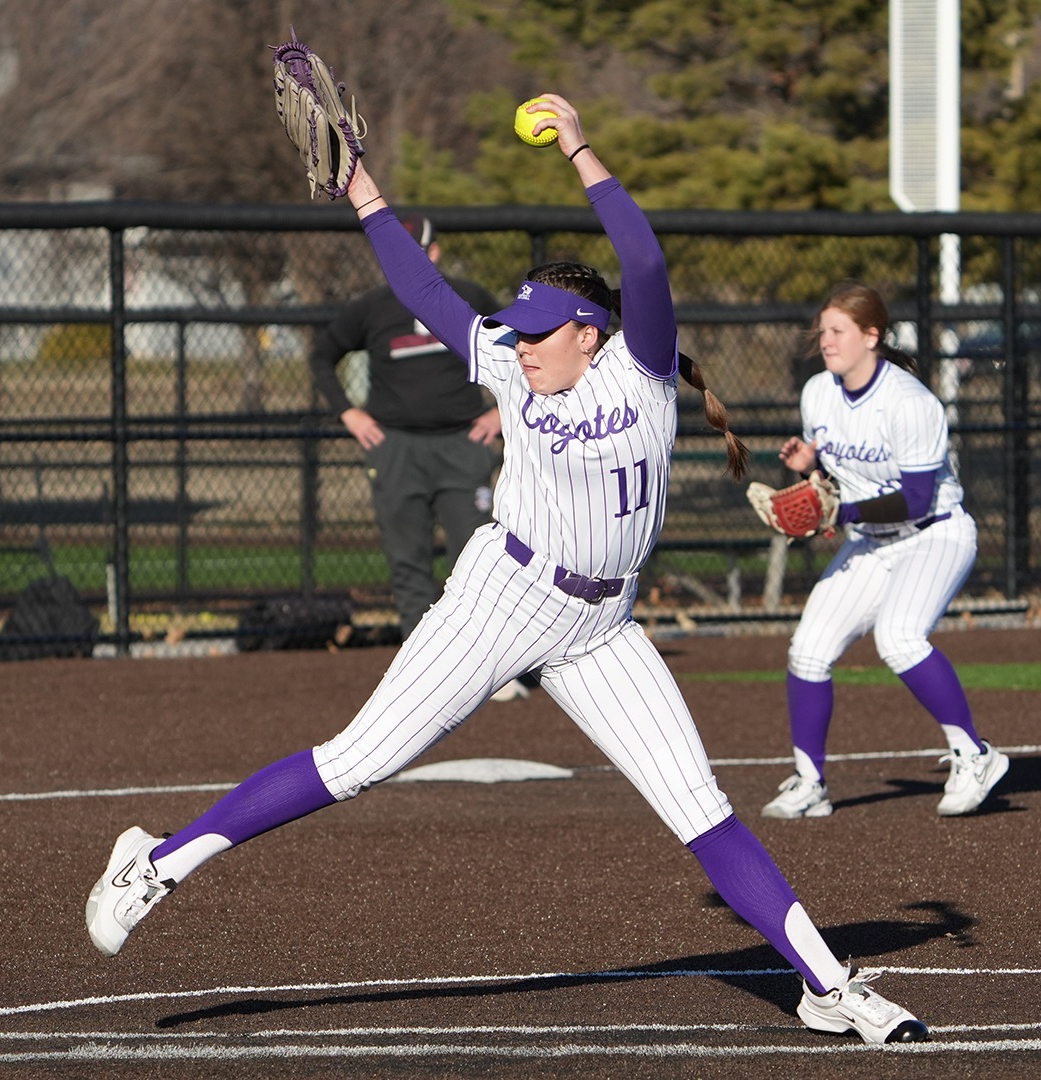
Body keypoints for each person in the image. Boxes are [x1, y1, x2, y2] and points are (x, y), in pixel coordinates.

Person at [86, 95, 929, 1045]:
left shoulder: (642, 373)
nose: (521, 343)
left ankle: (827, 985)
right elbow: (426, 293)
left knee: (702, 808)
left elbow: (643, 262)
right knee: (358, 762)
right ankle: (154, 862)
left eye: (541, 331)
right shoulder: (506, 361)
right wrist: (363, 191)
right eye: (518, 329)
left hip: (601, 629)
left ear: (590, 333)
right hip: (502, 596)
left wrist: (578, 146)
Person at [760, 283, 1006, 821]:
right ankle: (810, 782)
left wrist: (839, 513)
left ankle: (976, 755)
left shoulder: (910, 402)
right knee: (808, 650)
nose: (825, 341)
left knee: (899, 636)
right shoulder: (818, 393)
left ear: (872, 336)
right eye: (822, 330)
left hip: (934, 534)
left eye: (838, 331)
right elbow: (837, 477)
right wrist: (810, 468)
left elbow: (917, 499)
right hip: (871, 541)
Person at [308, 219, 531, 701]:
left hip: (461, 445)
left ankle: (491, 668)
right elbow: (322, 355)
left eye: (420, 252)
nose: (410, 263)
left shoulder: (468, 296)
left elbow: (525, 348)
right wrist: (349, 413)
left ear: (436, 253)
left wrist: (501, 413)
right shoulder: (369, 307)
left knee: (477, 560)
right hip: (396, 449)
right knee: (407, 562)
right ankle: (422, 670)